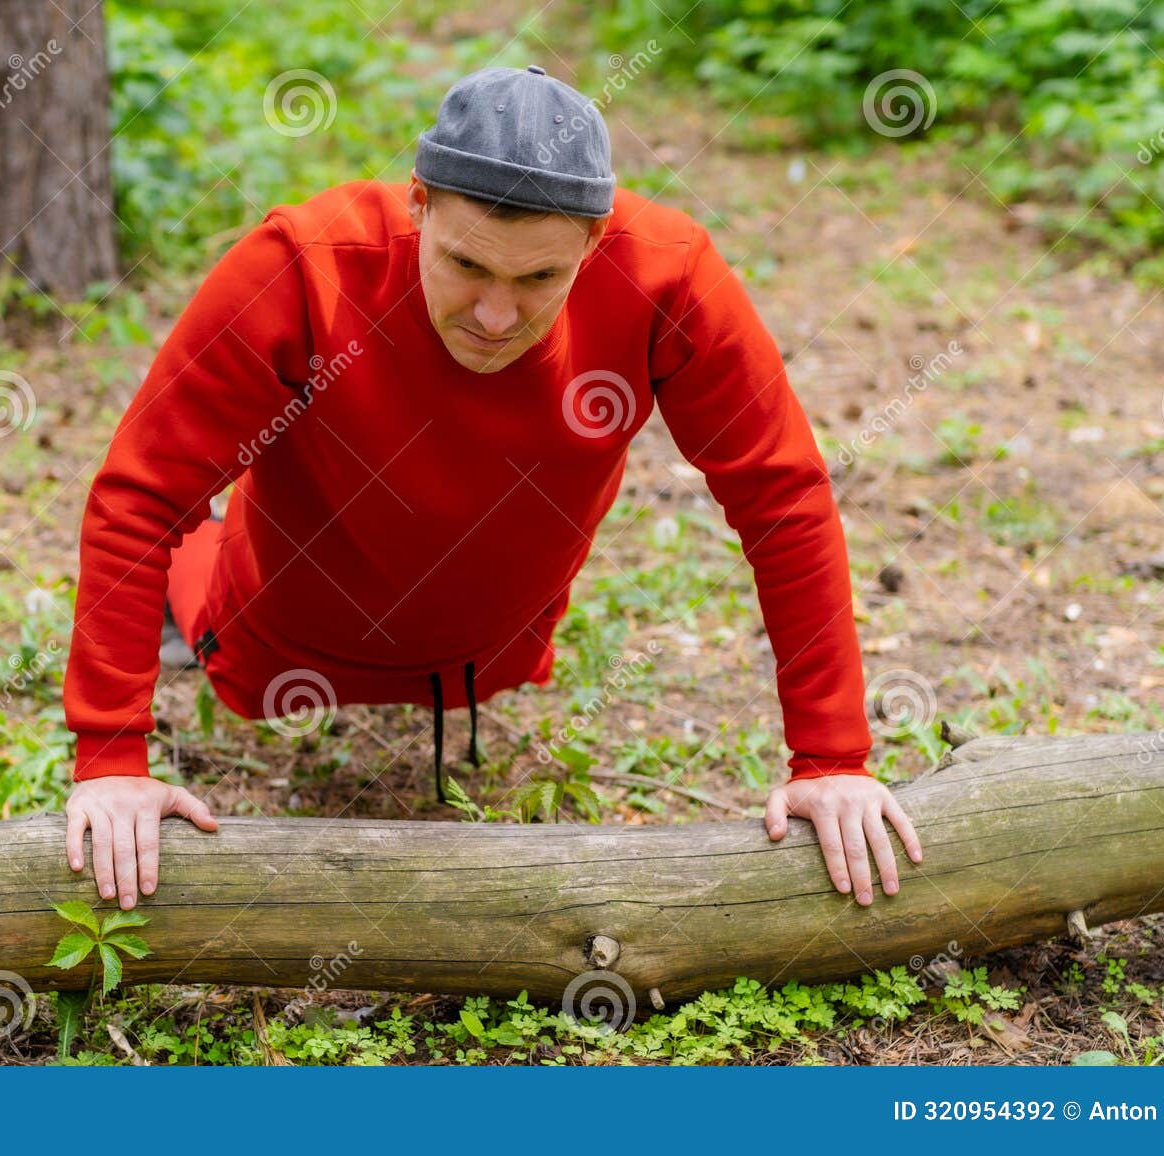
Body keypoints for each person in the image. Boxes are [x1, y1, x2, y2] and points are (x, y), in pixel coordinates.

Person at [62, 64, 922, 914]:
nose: (496, 315)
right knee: (200, 557)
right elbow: (141, 494)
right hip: (271, 644)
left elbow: (784, 497)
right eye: (468, 264)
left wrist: (833, 762)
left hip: (498, 653)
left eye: (539, 279)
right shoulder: (306, 263)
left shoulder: (668, 272)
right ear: (418, 204)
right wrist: (110, 760)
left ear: (596, 239)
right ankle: (190, 597)